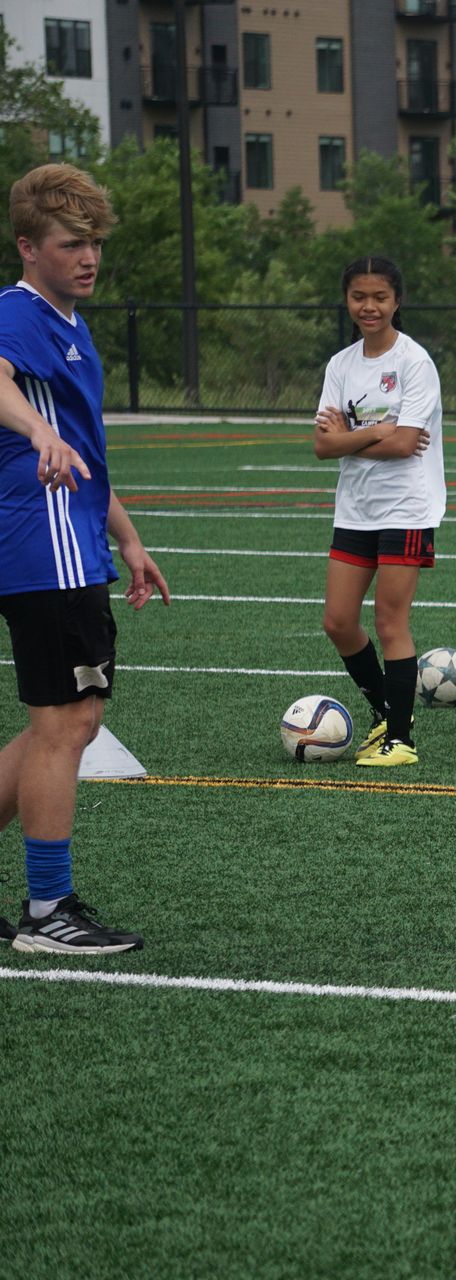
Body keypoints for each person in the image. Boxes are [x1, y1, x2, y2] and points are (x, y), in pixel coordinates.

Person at [0, 163, 168, 953]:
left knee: (62, 723)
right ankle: (46, 912)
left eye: (94, 243)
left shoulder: (69, 323)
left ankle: (44, 905)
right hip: (45, 548)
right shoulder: (18, 313)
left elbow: (85, 455)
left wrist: (127, 537)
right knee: (66, 723)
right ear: (29, 247)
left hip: (70, 539)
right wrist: (35, 433)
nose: (88, 257)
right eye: (72, 244)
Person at [314, 255, 444, 768]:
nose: (369, 307)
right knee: (338, 621)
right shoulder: (341, 364)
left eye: (380, 298)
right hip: (356, 508)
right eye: (358, 297)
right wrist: (371, 431)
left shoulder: (415, 362)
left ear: (397, 301)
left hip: (406, 508)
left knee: (391, 621)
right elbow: (323, 447)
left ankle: (402, 740)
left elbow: (407, 443)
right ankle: (385, 713)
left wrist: (348, 438)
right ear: (347, 300)